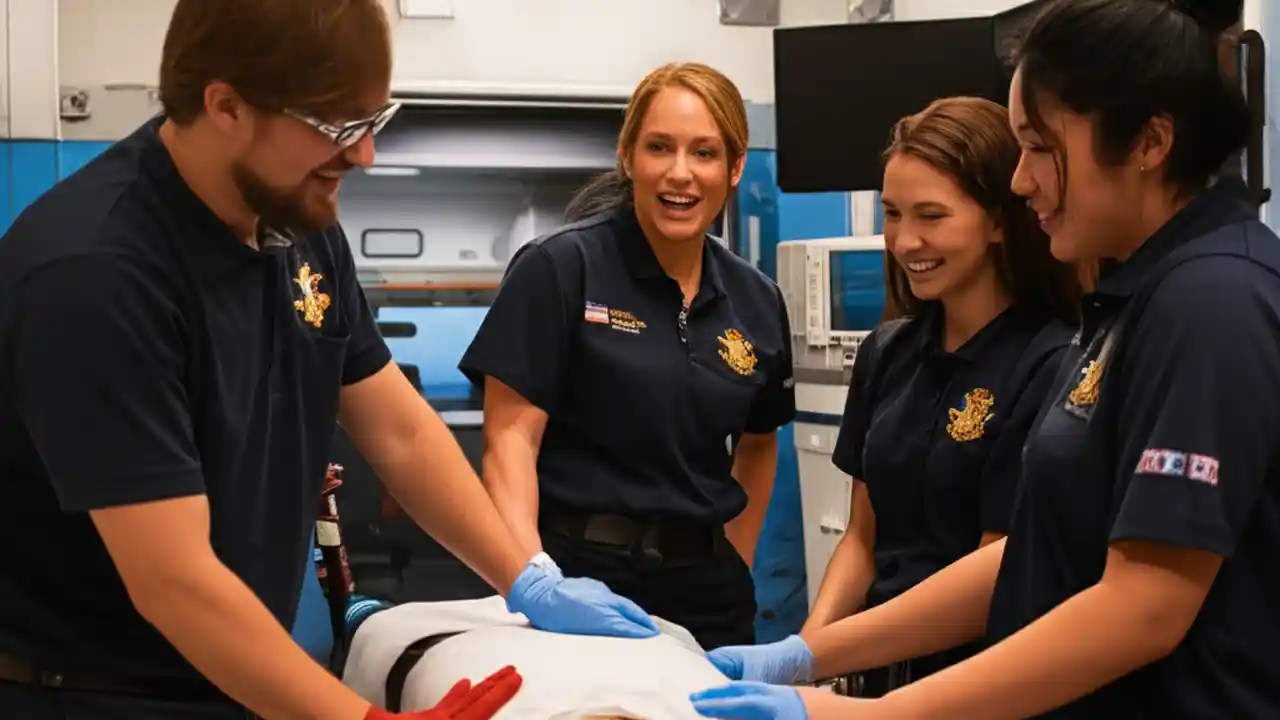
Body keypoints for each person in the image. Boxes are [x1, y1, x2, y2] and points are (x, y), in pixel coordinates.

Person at [0, 2, 661, 719]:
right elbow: (174, 581)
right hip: (96, 693)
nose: (364, 155)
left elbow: (401, 434)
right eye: (336, 127)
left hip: (236, 676)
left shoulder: (295, 225)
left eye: (374, 121)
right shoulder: (97, 275)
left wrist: (522, 577)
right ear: (225, 104)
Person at [689, 0, 1280, 718]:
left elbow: (1146, 603)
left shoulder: (1212, 299)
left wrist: (875, 716)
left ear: (1150, 142)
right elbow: (1021, 559)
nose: (1023, 179)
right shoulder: (1134, 302)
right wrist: (815, 654)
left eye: (1039, 146)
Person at [710, 95, 1082, 699]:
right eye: (893, 214)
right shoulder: (888, 352)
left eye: (931, 216)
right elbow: (861, 539)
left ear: (997, 221)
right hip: (873, 674)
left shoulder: (1051, 362)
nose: (905, 241)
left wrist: (814, 654)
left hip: (975, 684)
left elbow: (996, 573)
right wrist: (805, 656)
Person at [459, 62, 796, 651]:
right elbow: (510, 440)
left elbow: (759, 442)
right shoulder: (560, 268)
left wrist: (735, 558)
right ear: (627, 156)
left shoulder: (757, 299)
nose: (680, 174)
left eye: (705, 153)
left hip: (710, 597)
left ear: (735, 167)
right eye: (659, 147)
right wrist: (533, 579)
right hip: (578, 575)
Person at [341, 594, 732, 719]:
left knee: (379, 624)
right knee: (377, 625)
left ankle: (362, 611)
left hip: (425, 635)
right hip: (434, 639)